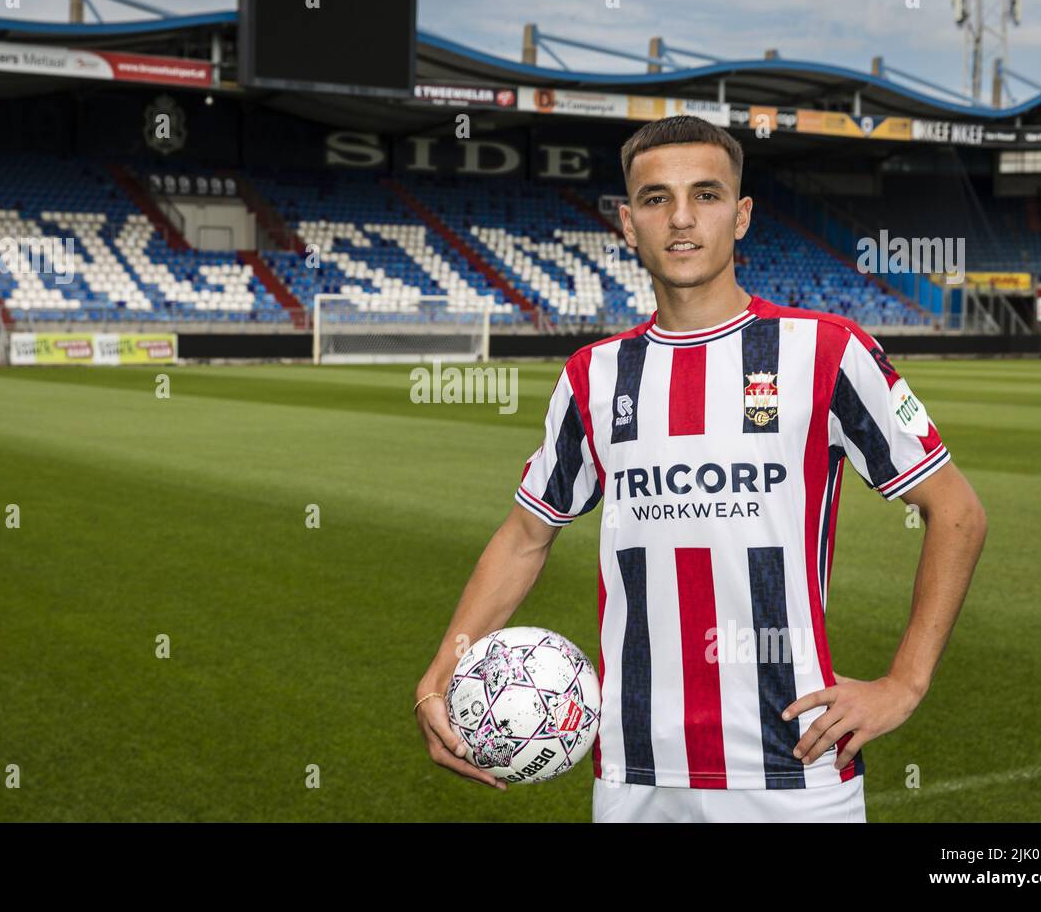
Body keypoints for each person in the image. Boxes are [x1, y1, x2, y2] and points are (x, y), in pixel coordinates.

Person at [414, 115, 987, 822]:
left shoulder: (826, 352)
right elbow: (524, 538)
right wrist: (443, 671)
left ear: (740, 215)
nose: (681, 218)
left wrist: (904, 683)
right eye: (656, 199)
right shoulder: (593, 376)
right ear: (628, 223)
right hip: (633, 768)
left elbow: (957, 510)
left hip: (796, 764)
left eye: (706, 195)